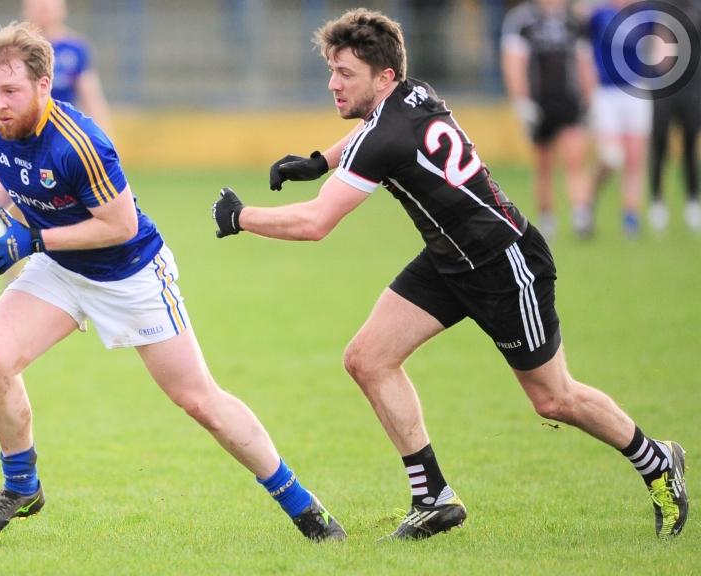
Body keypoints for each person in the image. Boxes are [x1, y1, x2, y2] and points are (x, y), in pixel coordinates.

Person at [211, 8, 688, 539]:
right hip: (450, 259)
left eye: (345, 73)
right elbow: (369, 134)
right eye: (331, 71)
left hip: (504, 264)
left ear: (383, 77)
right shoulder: (414, 92)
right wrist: (320, 162)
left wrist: (240, 217)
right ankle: (433, 498)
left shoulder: (385, 134)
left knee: (554, 398)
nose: (333, 84)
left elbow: (315, 222)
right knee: (368, 359)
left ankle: (657, 460)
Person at [0, 21, 345, 543]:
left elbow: (119, 226)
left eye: (11, 91)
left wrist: (31, 241)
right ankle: (22, 486)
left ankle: (303, 505)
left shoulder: (81, 145)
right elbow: (8, 172)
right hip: (60, 268)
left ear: (44, 85)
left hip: (131, 273)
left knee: (199, 400)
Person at [500, 0, 595, 239]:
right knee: (544, 164)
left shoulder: (573, 20)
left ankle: (581, 215)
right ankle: (547, 219)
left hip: (569, 101)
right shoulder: (523, 20)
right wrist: (521, 101)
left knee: (575, 158)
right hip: (540, 104)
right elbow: (514, 63)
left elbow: (584, 61)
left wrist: (590, 97)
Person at [585, 0, 653, 237]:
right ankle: (588, 201)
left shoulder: (646, 12)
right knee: (611, 157)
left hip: (636, 90)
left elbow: (660, 40)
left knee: (635, 157)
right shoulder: (599, 13)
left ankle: (631, 217)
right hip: (607, 93)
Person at [648, 0, 701, 233]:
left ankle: (692, 200)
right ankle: (657, 201)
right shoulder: (660, 8)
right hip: (664, 88)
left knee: (690, 143)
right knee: (660, 143)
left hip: (692, 87)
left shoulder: (696, 8)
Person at [21, 0, 111, 131]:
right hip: (24, 128)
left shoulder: (75, 49)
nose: (43, 12)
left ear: (62, 9)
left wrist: (103, 136)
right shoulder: (15, 49)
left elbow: (90, 97)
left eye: (47, 7)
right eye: (39, 7)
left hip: (61, 128)